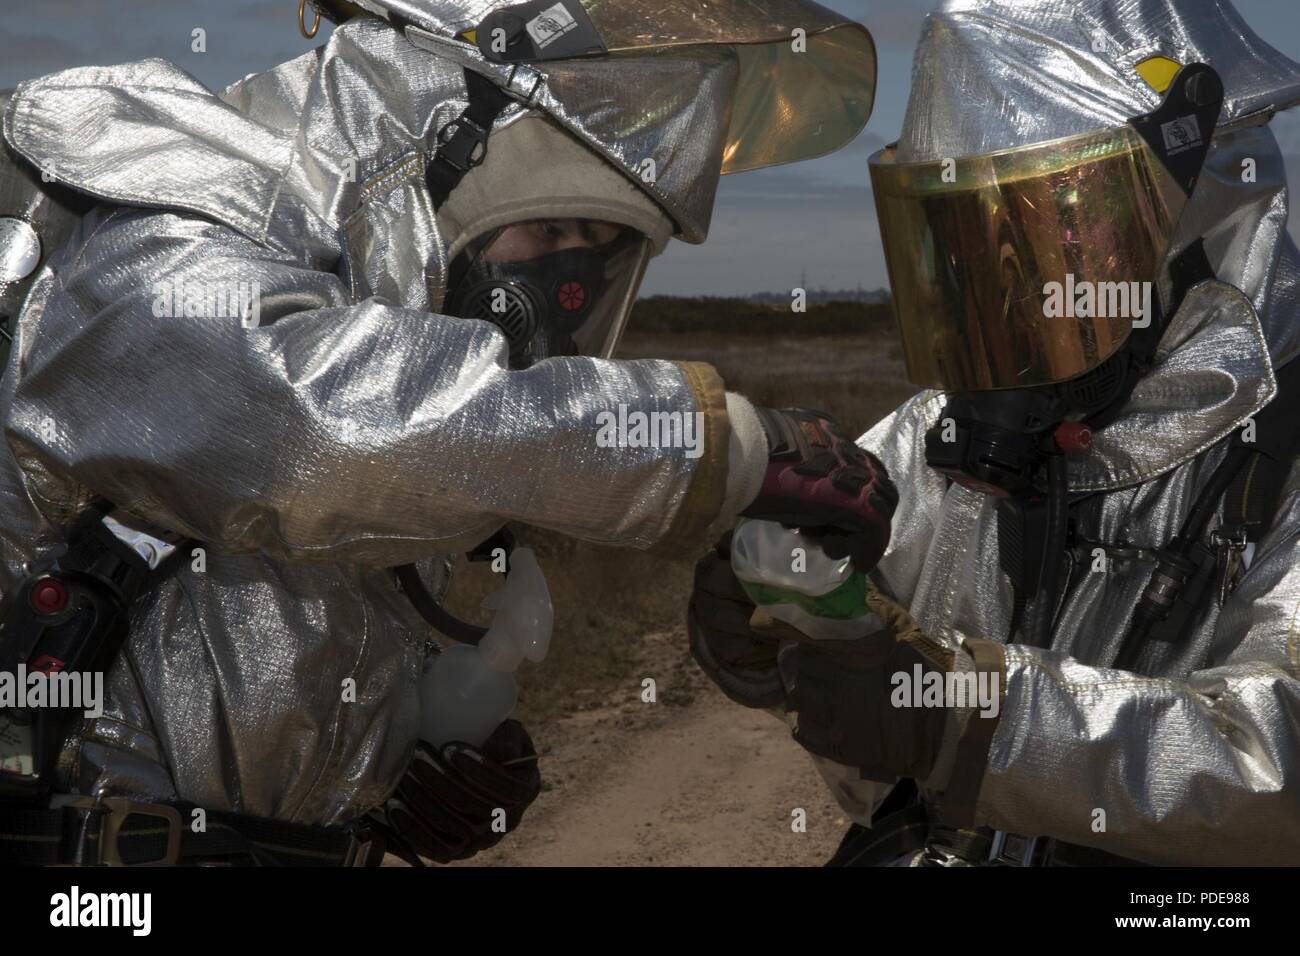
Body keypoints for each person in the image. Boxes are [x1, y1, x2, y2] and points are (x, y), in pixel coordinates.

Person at [0, 0, 895, 865]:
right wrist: (716, 447)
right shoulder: (162, 218)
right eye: (547, 228)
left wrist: (383, 776)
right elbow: (309, 433)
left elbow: (257, 644)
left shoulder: (389, 336)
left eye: (599, 247)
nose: (565, 284)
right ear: (433, 151)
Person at [688, 0, 1300, 866]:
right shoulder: (940, 434)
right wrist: (778, 626)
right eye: (965, 264)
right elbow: (857, 650)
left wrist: (970, 721)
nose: (1002, 314)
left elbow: (1279, 764)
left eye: (1041, 261)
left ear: (1188, 236)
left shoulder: (1283, 449)